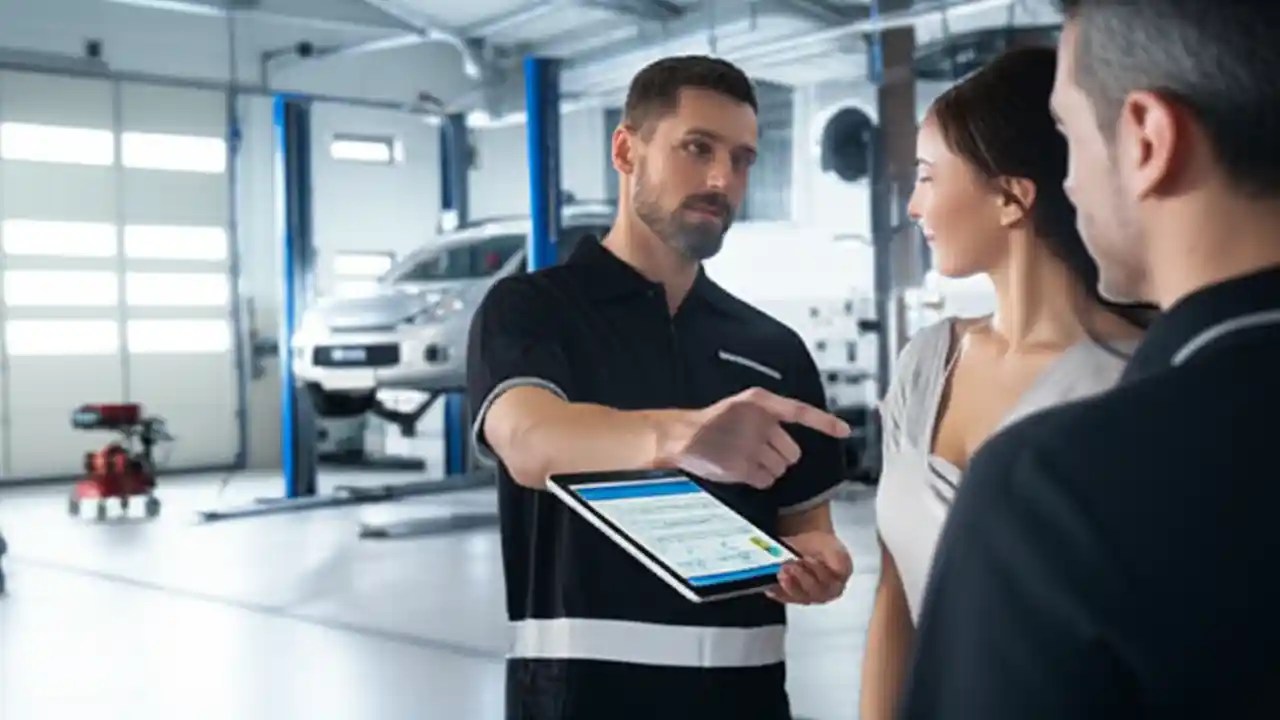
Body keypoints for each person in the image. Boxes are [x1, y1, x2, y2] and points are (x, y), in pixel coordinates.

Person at [900, 1, 1280, 717]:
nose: (1068, 187)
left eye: (1070, 136)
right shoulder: (936, 369)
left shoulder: (1055, 487)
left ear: (1146, 139)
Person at [467, 55, 856, 720]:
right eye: (696, 148)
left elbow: (807, 527)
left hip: (748, 697)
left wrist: (819, 562)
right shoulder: (532, 310)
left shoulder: (774, 350)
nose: (721, 180)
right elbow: (530, 442)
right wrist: (684, 438)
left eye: (742, 159)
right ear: (626, 149)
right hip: (578, 697)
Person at [857, 45, 1148, 720]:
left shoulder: (1132, 380)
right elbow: (894, 595)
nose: (912, 205)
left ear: (1012, 198)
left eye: (928, 177)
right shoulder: (927, 361)